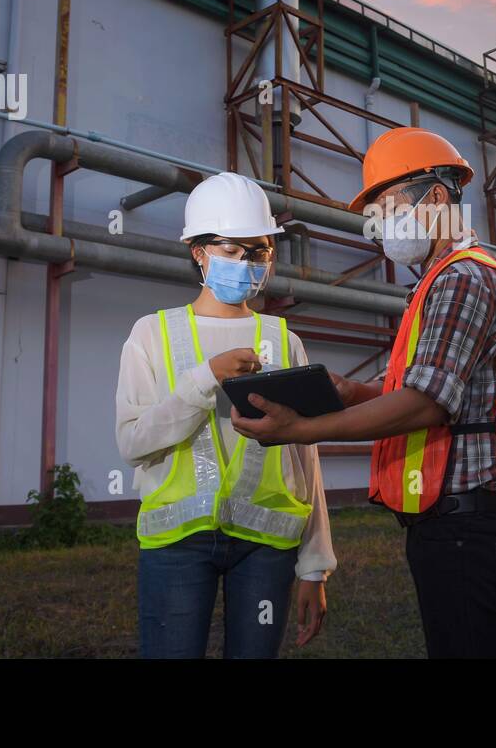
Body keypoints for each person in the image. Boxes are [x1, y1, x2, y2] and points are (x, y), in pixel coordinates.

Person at [231, 127, 496, 658]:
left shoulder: (462, 279)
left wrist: (302, 430)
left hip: (469, 527)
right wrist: (354, 393)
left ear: (436, 197)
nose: (381, 226)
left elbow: (425, 403)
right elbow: (426, 388)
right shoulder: (438, 280)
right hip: (457, 523)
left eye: (388, 207)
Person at [115, 171, 335, 658]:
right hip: (177, 542)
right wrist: (205, 377)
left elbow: (306, 455)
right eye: (230, 250)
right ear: (198, 251)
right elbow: (132, 442)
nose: (247, 262)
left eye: (258, 251)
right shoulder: (152, 334)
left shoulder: (284, 340)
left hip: (267, 545)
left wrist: (315, 566)